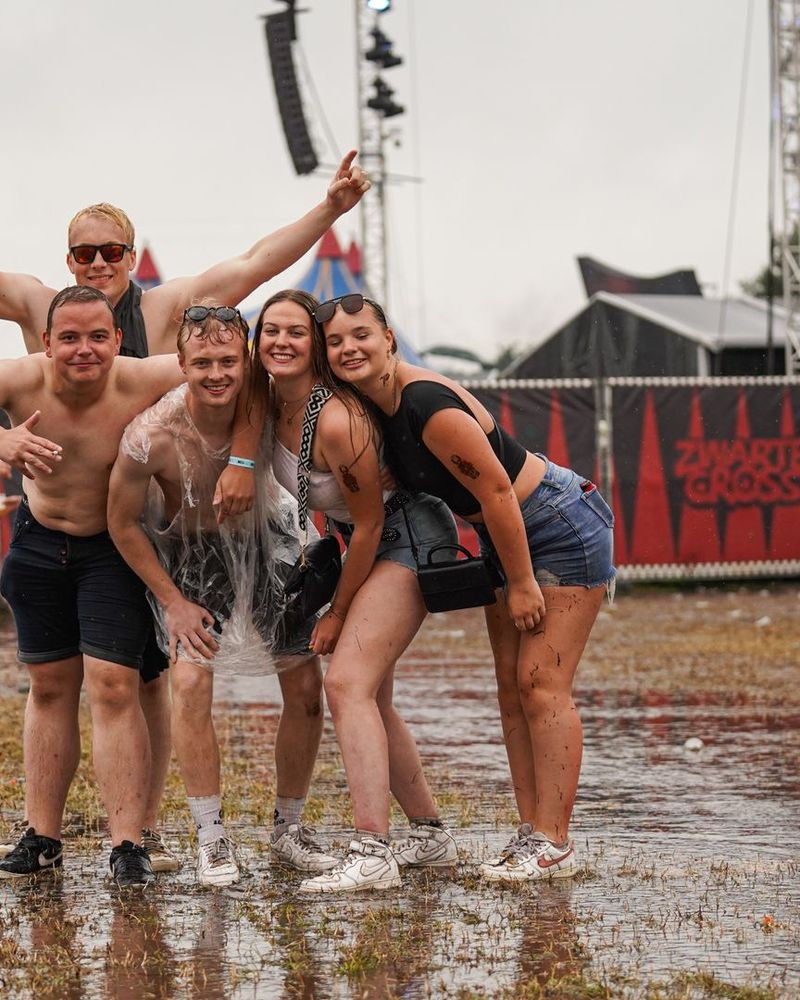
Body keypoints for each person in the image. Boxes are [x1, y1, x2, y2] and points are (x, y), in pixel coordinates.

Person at [0, 152, 370, 867]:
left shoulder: (166, 315)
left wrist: (330, 210)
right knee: (82, 681)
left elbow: (253, 278)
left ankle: (138, 834)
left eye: (112, 252)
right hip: (75, 520)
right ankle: (66, 832)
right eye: (86, 252)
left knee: (139, 679)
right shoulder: (35, 303)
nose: (99, 263)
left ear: (132, 258)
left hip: (159, 522)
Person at [314, 293, 616, 883]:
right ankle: (532, 835)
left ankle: (554, 841)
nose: (350, 348)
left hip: (553, 525)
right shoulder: (368, 405)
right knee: (511, 691)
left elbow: (499, 492)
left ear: (390, 340)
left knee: (541, 684)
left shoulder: (425, 402)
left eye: (362, 336)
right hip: (505, 536)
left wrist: (524, 581)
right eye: (336, 341)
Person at [107, 303, 338, 885]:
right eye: (203, 361)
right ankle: (211, 835)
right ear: (179, 363)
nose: (217, 374)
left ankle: (288, 828)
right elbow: (122, 523)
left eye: (229, 361)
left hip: (271, 541)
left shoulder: (264, 408)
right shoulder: (149, 437)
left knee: (307, 681)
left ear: (247, 362)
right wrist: (172, 601)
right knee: (188, 681)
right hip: (192, 555)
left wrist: (241, 458)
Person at [0, 285, 218, 886]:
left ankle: (127, 844)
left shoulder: (142, 378)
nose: (84, 350)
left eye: (98, 336)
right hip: (40, 539)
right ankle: (42, 837)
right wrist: (3, 439)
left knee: (115, 686)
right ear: (46, 343)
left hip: (114, 545)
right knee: (48, 686)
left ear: (119, 341)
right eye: (68, 338)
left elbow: (234, 361)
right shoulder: (18, 380)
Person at [252, 289, 459, 894]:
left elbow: (370, 524)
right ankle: (430, 835)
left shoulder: (336, 419)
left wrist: (338, 611)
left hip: (402, 536)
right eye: (270, 332)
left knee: (345, 683)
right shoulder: (271, 403)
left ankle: (372, 850)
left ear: (313, 346)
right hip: (360, 539)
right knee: (372, 697)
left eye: (297, 332)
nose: (282, 343)